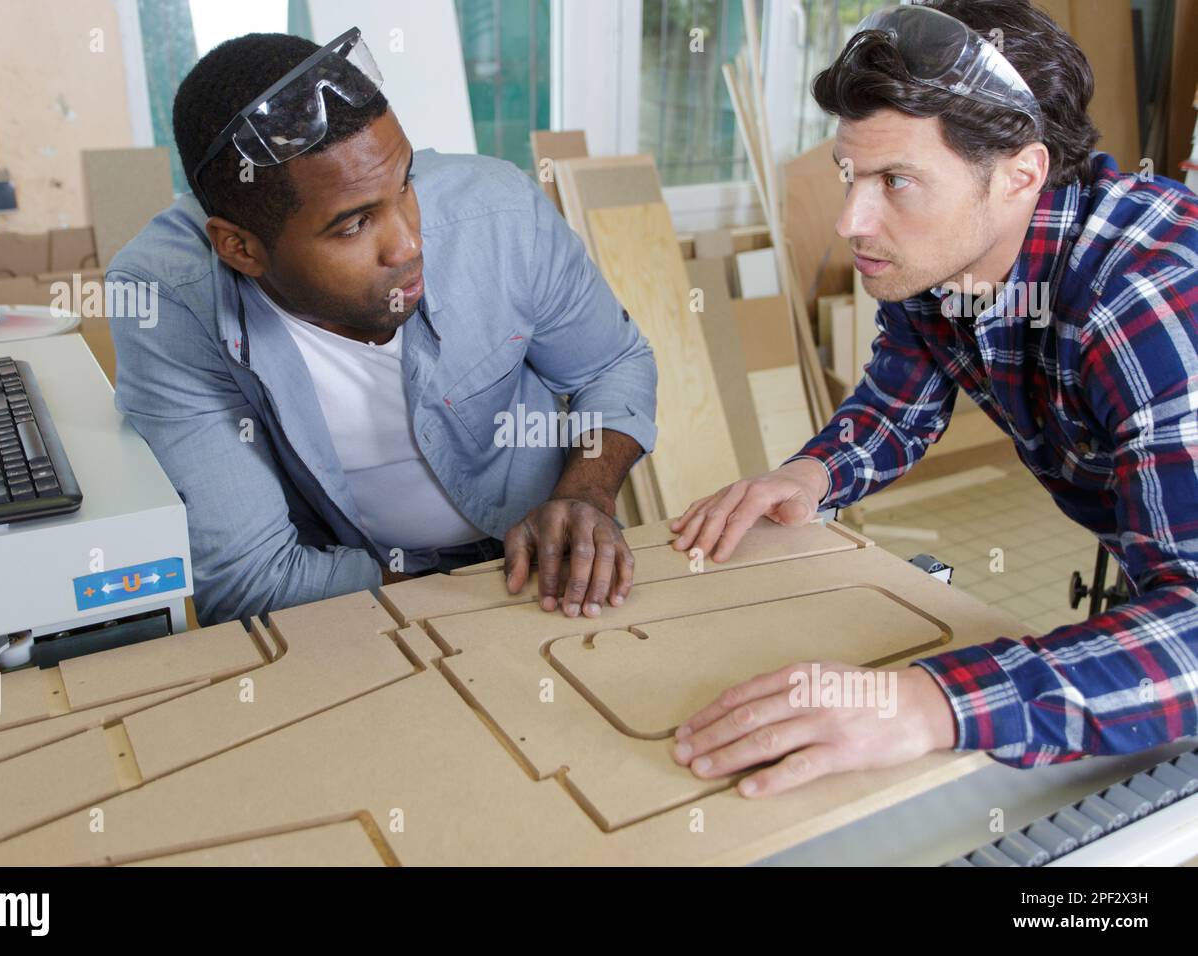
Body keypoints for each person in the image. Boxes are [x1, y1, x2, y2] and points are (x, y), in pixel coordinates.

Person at [670, 0, 1198, 797]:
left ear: (1022, 172)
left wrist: (928, 703)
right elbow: (898, 401)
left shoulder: (1146, 301)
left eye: (897, 181)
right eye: (851, 175)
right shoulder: (943, 259)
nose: (852, 220)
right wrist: (809, 475)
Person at [107, 30, 657, 626]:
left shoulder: (497, 215)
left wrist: (585, 494)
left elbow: (612, 365)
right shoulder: (166, 298)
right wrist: (473, 602)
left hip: (543, 573)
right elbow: (250, 581)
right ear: (240, 248)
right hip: (353, 603)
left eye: (406, 185)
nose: (410, 243)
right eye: (354, 225)